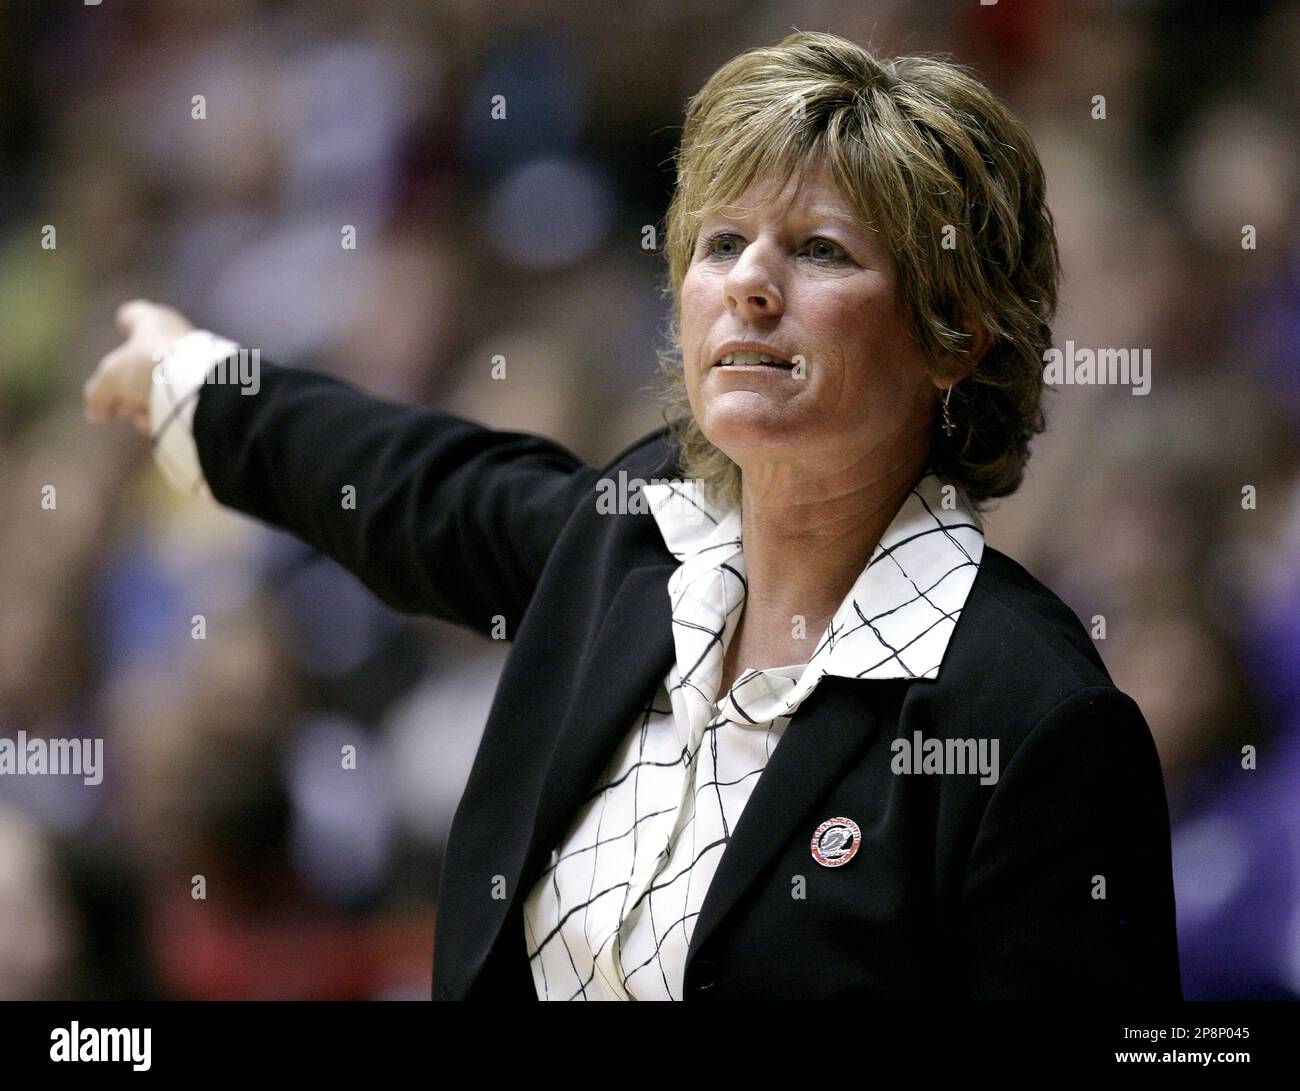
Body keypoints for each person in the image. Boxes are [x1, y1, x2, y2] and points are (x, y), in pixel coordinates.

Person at [83, 31, 1182, 1000]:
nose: (749, 283)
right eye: (722, 242)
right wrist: (192, 380)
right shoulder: (641, 536)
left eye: (820, 250)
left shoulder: (1032, 717)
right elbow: (422, 491)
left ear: (954, 338)